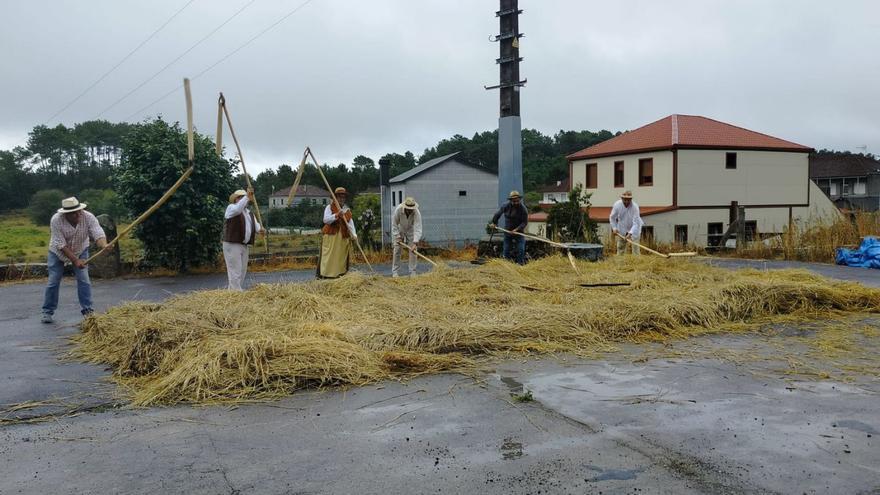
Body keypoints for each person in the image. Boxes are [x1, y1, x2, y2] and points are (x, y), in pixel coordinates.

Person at [41, 197, 108, 323]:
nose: (78, 214)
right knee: (53, 280)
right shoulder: (56, 220)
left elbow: (98, 233)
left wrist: (104, 245)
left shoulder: (88, 217)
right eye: (73, 213)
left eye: (79, 211)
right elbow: (61, 245)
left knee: (84, 279)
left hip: (81, 249)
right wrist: (75, 260)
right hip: (58, 252)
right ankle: (47, 311)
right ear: (65, 214)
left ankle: (88, 311)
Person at [222, 187, 264, 291]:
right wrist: (247, 197)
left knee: (242, 270)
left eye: (243, 197)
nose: (241, 199)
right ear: (235, 199)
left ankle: (233, 292)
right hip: (232, 244)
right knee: (235, 271)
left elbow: (257, 226)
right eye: (239, 197)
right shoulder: (231, 208)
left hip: (244, 245)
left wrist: (261, 230)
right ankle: (237, 293)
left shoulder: (249, 213)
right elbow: (238, 209)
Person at [317, 187, 357, 279]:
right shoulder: (329, 207)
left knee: (340, 257)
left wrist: (354, 235)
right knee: (330, 257)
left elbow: (350, 224)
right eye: (339, 197)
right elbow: (326, 220)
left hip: (343, 238)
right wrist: (336, 215)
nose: (342, 199)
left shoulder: (347, 210)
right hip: (331, 237)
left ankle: (340, 275)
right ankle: (327, 276)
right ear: (335, 198)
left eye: (343, 197)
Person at [490, 190, 529, 265]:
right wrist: (494, 223)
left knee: (521, 249)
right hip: (507, 231)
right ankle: (507, 265)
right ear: (511, 200)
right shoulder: (505, 206)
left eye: (517, 201)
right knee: (506, 249)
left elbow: (524, 222)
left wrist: (516, 229)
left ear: (519, 199)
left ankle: (520, 264)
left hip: (519, 232)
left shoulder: (523, 209)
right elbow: (497, 214)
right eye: (514, 201)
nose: (516, 203)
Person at [391, 197, 423, 278]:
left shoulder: (416, 212)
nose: (410, 210)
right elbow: (394, 224)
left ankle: (412, 271)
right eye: (408, 209)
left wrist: (415, 242)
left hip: (411, 230)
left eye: (411, 209)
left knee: (413, 251)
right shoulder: (398, 210)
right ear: (405, 207)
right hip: (400, 229)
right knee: (397, 250)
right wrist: (397, 236)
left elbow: (418, 227)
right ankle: (395, 272)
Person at [609, 190, 643, 255]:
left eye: (628, 200)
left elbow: (636, 223)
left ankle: (637, 262)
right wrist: (614, 228)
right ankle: (620, 262)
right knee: (620, 247)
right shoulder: (617, 205)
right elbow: (612, 218)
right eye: (625, 199)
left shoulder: (635, 207)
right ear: (622, 198)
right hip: (622, 228)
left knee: (636, 249)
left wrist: (630, 234)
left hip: (635, 228)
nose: (627, 201)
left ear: (631, 199)